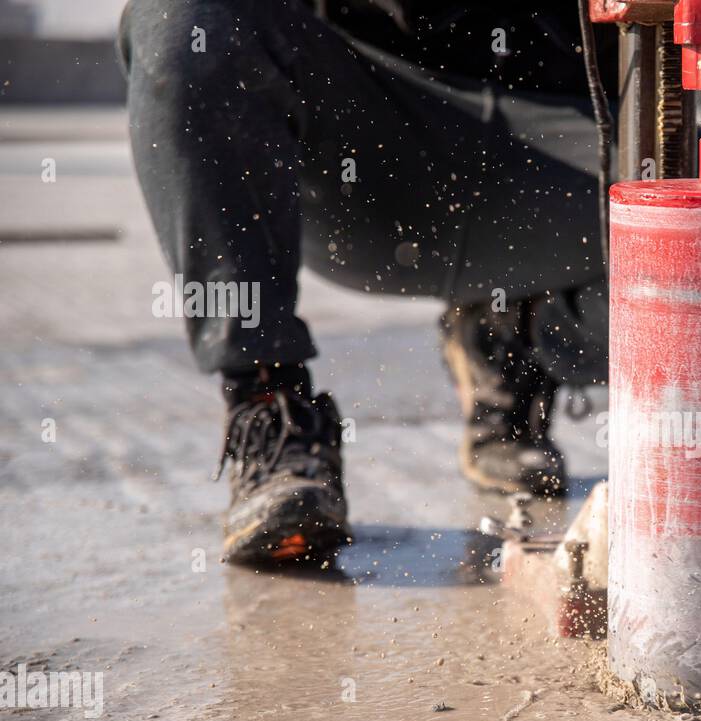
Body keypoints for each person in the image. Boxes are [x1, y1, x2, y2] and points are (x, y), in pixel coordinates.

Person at [117, 0, 614, 563]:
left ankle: (514, 337)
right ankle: (274, 418)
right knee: (187, 17)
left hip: (577, 150)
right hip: (371, 147)